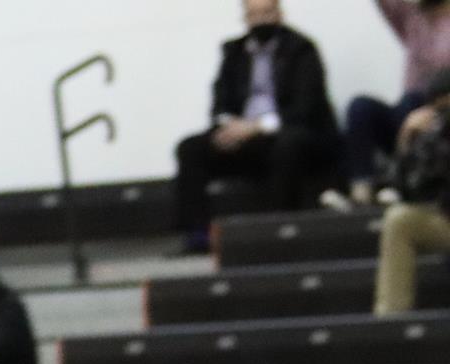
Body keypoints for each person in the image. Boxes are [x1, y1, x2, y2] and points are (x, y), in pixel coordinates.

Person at [172, 0, 341, 252]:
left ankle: (278, 231)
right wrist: (229, 124)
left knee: (288, 145)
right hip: (244, 136)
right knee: (190, 148)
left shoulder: (301, 50)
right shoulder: (234, 52)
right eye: (254, 15)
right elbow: (220, 103)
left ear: (279, 14)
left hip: (284, 133)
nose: (261, 21)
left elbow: (306, 109)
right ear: (245, 18)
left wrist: (258, 127)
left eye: (267, 13)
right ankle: (199, 235)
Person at [332, 0, 450, 209]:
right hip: (407, 115)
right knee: (360, 108)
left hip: (440, 119)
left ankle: (400, 186)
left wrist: (433, 112)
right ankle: (362, 192)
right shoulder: (414, 18)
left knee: (413, 101)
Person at [372, 70, 450, 314]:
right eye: (440, 111)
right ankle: (390, 323)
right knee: (400, 219)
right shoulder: (438, 136)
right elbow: (406, 189)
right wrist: (408, 138)